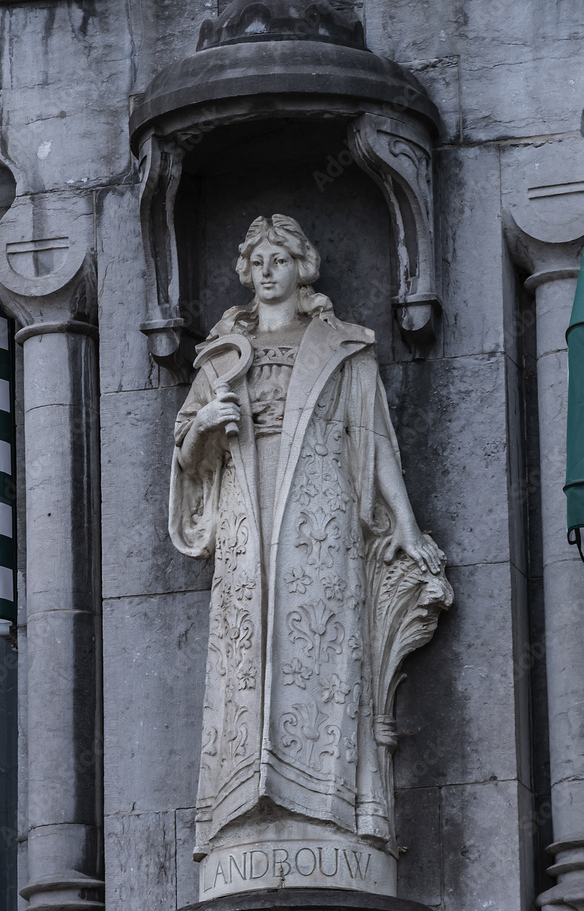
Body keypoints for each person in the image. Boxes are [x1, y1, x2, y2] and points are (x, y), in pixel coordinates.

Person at [169, 214, 448, 860]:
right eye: (256, 260)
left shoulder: (342, 346)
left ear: (302, 268)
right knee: (247, 652)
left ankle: (328, 803)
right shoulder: (219, 356)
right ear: (245, 272)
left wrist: (404, 526)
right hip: (245, 513)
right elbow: (186, 457)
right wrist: (206, 421)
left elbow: (373, 444)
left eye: (279, 258)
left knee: (320, 647)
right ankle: (241, 802)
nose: (266, 270)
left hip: (320, 513)